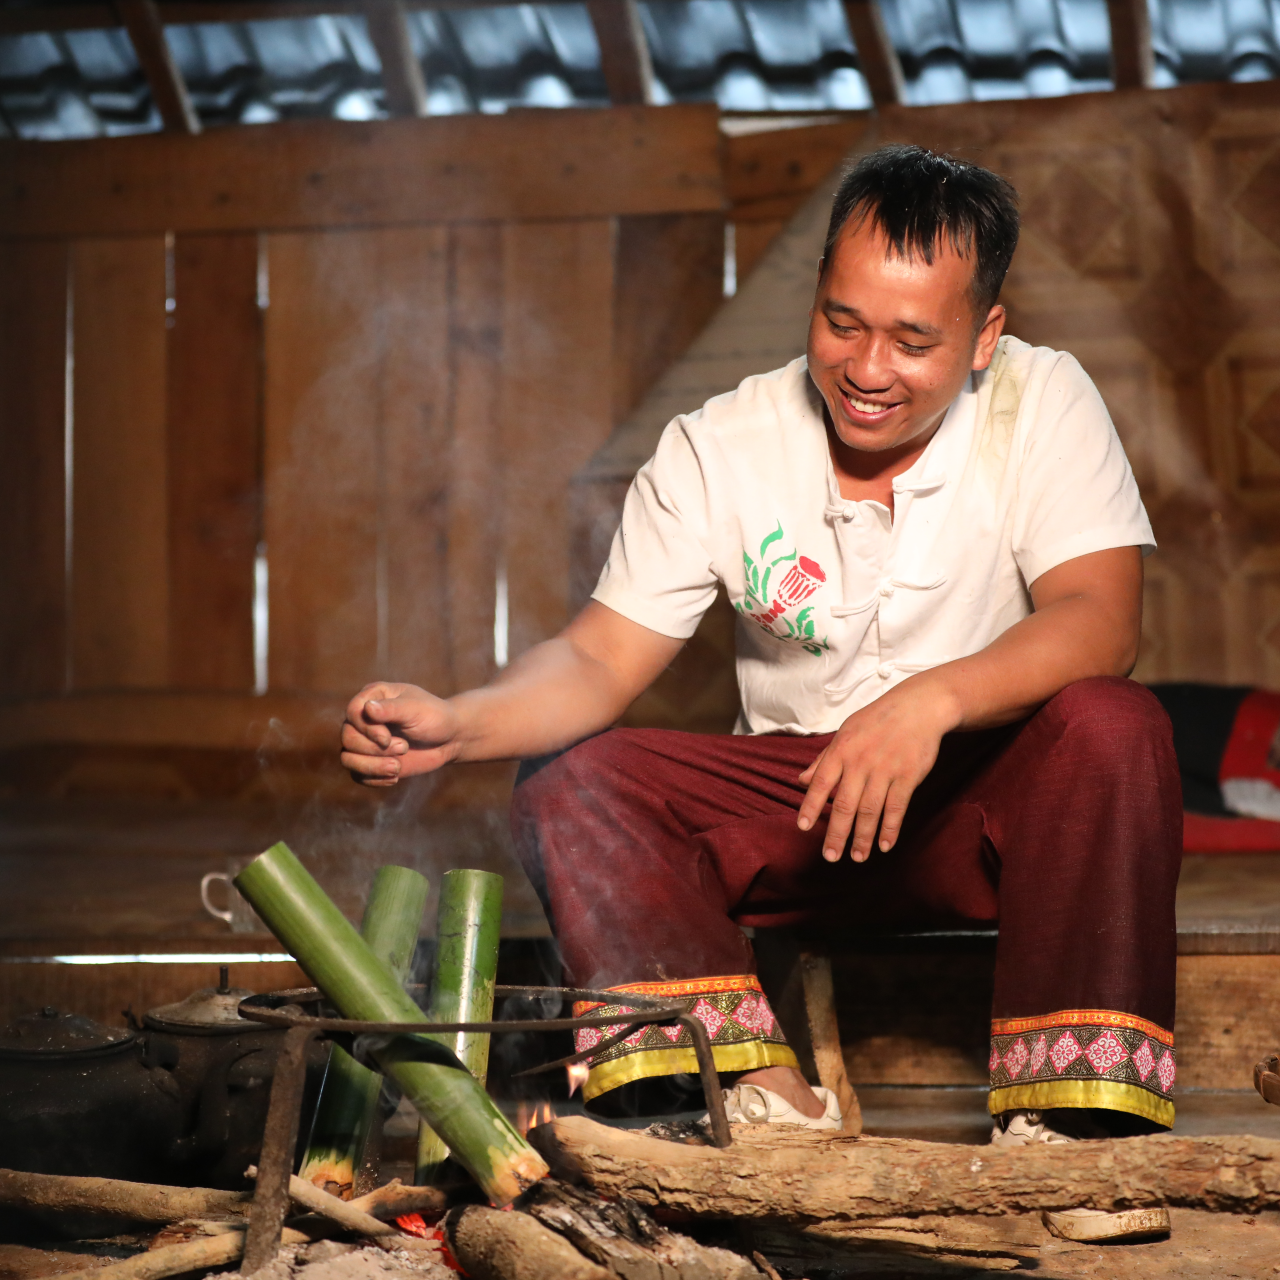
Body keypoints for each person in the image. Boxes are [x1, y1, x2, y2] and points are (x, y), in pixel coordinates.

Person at [341, 146, 1181, 1243]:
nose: (867, 367)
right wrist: (464, 718)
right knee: (575, 776)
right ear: (815, 296)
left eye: (913, 339)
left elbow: (1099, 618)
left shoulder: (1040, 398)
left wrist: (925, 703)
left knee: (1113, 723)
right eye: (841, 323)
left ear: (983, 337)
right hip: (795, 821)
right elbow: (598, 659)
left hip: (977, 812)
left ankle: (1074, 1137)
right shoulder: (718, 446)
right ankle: (759, 1094)